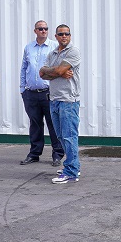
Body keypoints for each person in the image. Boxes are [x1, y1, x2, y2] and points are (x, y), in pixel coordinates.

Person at [40, 24, 82, 184]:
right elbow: (42, 73)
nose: (64, 36)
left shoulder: (73, 51)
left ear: (70, 36)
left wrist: (54, 71)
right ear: (56, 36)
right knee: (60, 136)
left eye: (67, 34)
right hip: (54, 100)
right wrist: (58, 72)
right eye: (61, 34)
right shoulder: (52, 53)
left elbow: (53, 72)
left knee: (69, 136)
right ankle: (73, 165)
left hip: (68, 101)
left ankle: (71, 172)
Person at [19, 20, 64, 166]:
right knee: (35, 124)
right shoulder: (28, 48)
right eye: (40, 29)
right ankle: (34, 154)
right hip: (31, 93)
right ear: (35, 31)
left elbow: (59, 69)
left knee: (53, 124)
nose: (43, 31)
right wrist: (23, 89)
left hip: (49, 93)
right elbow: (24, 68)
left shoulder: (54, 47)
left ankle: (57, 154)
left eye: (45, 28)